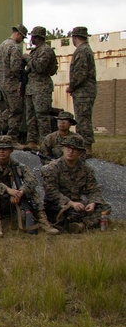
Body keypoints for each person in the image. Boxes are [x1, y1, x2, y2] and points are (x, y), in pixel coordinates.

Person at [0, 135, 58, 238]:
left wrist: (21, 192)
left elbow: (32, 180)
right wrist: (8, 190)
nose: (1, 151)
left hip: (11, 200)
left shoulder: (16, 164)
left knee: (31, 191)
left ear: (11, 150)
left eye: (5, 149)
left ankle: (43, 221)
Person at [41, 134, 110, 233]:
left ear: (80, 153)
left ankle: (81, 225)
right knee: (70, 213)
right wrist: (71, 203)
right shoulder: (52, 168)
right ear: (63, 149)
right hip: (60, 204)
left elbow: (94, 189)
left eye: (75, 149)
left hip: (78, 203)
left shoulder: (86, 169)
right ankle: (82, 222)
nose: (70, 151)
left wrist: (92, 203)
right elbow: (51, 192)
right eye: (68, 148)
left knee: (105, 207)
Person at [23, 26, 58, 150]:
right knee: (30, 116)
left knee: (42, 116)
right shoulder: (36, 50)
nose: (31, 38)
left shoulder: (46, 50)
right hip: (31, 88)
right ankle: (31, 141)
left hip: (41, 88)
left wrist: (27, 58)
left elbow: (40, 67)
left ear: (37, 37)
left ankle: (45, 142)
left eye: (33, 36)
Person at [0, 24, 28, 140]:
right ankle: (12, 138)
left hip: (2, 82)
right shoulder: (15, 47)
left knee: (9, 109)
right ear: (18, 34)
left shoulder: (1, 45)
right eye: (22, 38)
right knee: (17, 110)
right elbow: (15, 68)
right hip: (12, 84)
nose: (22, 40)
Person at [67, 26, 97, 155]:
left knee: (83, 119)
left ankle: (86, 146)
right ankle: (83, 146)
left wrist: (71, 86)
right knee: (82, 118)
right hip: (85, 91)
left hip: (83, 91)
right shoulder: (85, 50)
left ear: (74, 37)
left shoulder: (82, 51)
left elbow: (80, 73)